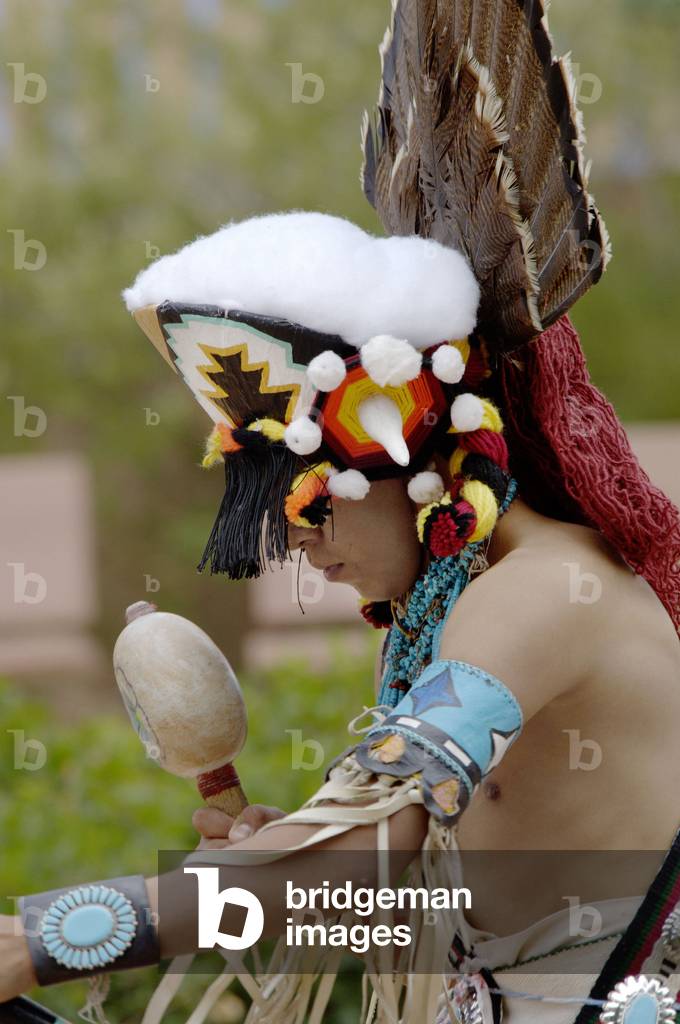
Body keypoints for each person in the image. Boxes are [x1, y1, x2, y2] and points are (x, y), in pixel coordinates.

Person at [3, 1, 680, 1022]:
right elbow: (383, 906)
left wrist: (42, 938)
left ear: (407, 445)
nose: (304, 553)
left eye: (309, 506)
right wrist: (272, 870)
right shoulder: (453, 609)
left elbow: (360, 860)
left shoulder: (544, 592)